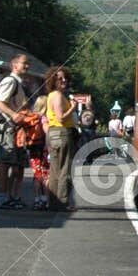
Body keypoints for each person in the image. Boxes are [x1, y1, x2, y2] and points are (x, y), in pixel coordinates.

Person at [0, 54, 38, 209]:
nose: (27, 66)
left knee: (17, 165)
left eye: (28, 64)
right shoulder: (9, 81)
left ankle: (12, 197)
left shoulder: (19, 84)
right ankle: (2, 198)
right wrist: (14, 115)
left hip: (17, 130)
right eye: (24, 63)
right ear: (14, 65)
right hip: (7, 129)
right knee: (5, 164)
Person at [44, 67, 78, 211]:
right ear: (53, 80)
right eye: (60, 78)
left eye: (65, 78)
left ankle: (53, 202)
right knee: (65, 168)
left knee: (55, 170)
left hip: (54, 133)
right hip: (62, 132)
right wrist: (73, 107)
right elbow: (61, 118)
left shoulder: (52, 95)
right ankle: (62, 202)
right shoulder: (57, 95)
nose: (64, 80)